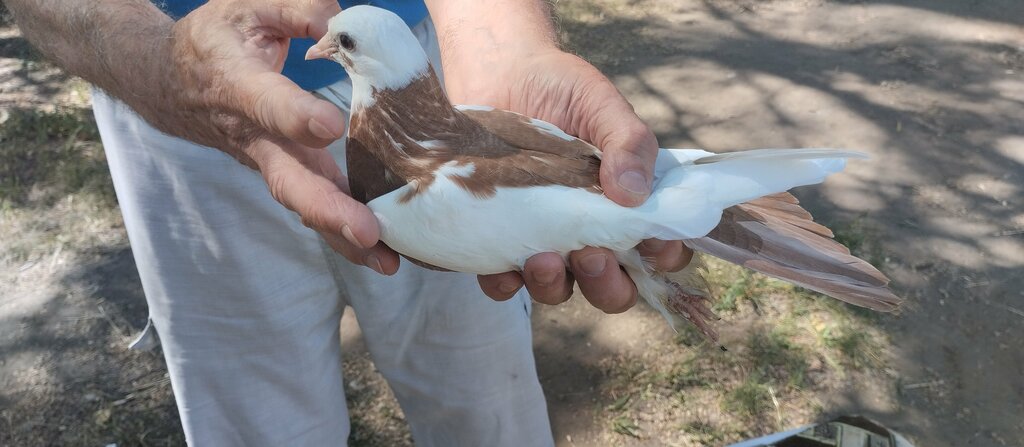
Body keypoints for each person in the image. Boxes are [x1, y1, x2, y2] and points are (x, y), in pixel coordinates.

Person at [7, 0, 694, 445]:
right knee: (257, 426)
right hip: (168, 91)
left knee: (486, 403)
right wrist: (156, 67)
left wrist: (503, 41)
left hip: (447, 74)